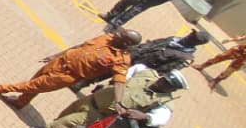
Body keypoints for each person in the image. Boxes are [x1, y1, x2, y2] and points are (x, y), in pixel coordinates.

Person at [0, 28, 141, 109]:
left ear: (125, 43)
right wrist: (55, 55)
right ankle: (21, 102)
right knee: (36, 81)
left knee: (33, 85)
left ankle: (0, 89)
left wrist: (119, 101)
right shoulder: (107, 38)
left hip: (68, 75)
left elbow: (119, 80)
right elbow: (80, 46)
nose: (116, 34)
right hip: (60, 61)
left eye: (121, 35)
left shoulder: (121, 60)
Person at [21, 66, 188, 128]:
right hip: (92, 98)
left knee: (66, 122)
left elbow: (160, 118)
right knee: (66, 113)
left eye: (166, 85)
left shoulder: (164, 102)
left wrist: (144, 116)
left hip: (99, 113)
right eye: (163, 79)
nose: (161, 83)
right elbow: (129, 72)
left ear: (171, 89)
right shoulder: (147, 73)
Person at [70, 30, 208, 91]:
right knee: (107, 69)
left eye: (192, 37)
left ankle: (99, 95)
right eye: (190, 34)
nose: (188, 36)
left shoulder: (185, 57)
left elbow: (164, 70)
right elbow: (154, 43)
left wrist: (143, 74)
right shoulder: (174, 39)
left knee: (117, 82)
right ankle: (82, 83)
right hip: (134, 54)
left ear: (195, 43)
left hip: (142, 67)